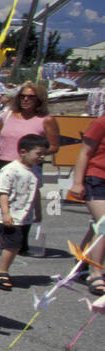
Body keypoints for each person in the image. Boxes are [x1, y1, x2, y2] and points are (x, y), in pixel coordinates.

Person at [0, 83, 59, 257]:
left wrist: (35, 153)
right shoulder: (7, 115)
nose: (26, 99)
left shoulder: (46, 119)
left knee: (25, 203)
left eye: (31, 96)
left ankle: (20, 241)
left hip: (28, 167)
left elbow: (54, 146)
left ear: (39, 99)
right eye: (23, 96)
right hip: (2, 163)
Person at [0, 134, 48, 290]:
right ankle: (2, 272)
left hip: (25, 215)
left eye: (44, 154)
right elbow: (2, 192)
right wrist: (5, 213)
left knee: (18, 245)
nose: (41, 157)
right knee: (12, 245)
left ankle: (5, 268)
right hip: (10, 215)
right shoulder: (10, 170)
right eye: (38, 153)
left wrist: (38, 210)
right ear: (23, 152)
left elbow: (36, 192)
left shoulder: (36, 170)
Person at [66, 111, 105, 296]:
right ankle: (96, 273)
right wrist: (77, 182)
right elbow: (85, 152)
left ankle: (80, 261)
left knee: (97, 227)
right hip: (97, 178)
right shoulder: (101, 123)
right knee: (104, 224)